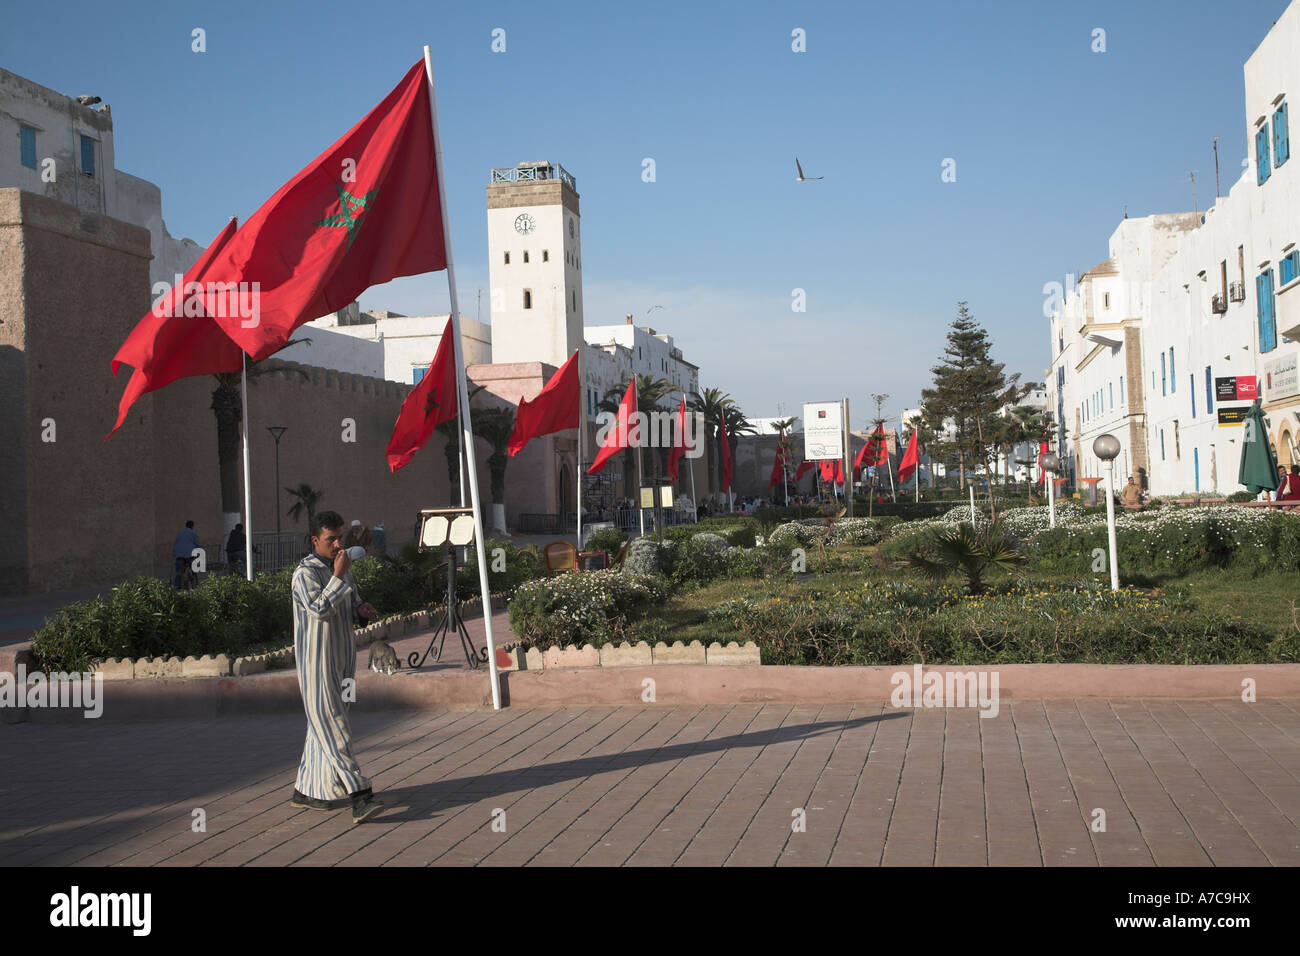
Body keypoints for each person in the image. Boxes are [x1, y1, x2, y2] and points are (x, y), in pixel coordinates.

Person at [289, 510, 382, 823]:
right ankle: (360, 794)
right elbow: (318, 610)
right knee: (334, 726)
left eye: (340, 537)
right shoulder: (305, 573)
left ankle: (307, 790)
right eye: (331, 539)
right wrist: (338, 576)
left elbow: (350, 602)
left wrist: (361, 610)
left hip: (344, 660)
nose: (338, 543)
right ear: (315, 540)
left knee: (326, 726)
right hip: (317, 664)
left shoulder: (341, 566)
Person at [173, 520, 201, 585]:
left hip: (179, 556)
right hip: (189, 556)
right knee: (194, 568)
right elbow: (199, 545)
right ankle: (195, 583)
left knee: (179, 570)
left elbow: (176, 543)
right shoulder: (193, 533)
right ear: (192, 526)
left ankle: (179, 582)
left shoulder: (179, 533)